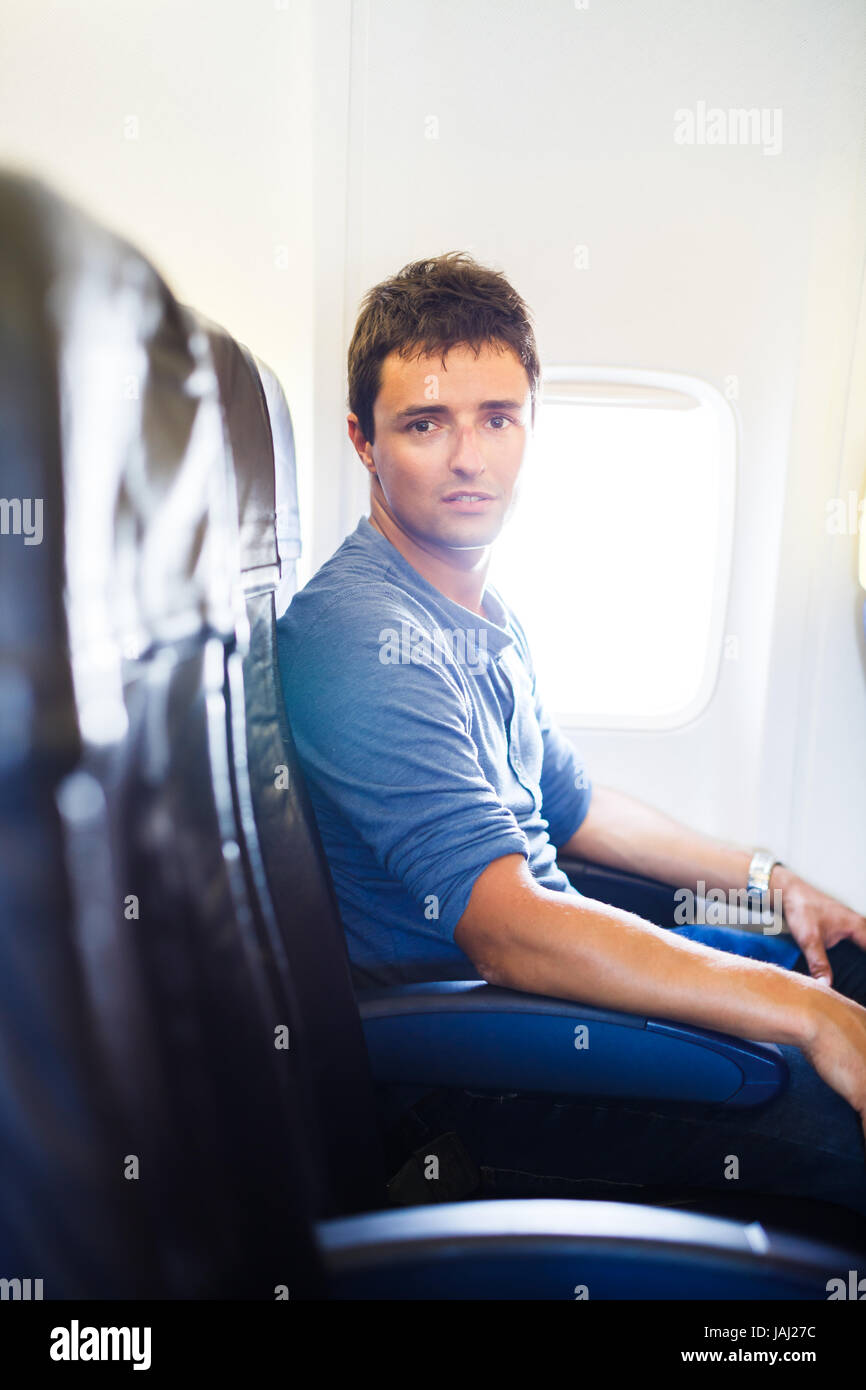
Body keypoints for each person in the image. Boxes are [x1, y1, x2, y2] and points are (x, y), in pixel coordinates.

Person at [276, 252, 866, 1241]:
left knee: (846, 970)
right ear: (363, 442)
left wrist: (770, 879)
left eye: (496, 417)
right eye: (424, 423)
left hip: (547, 998)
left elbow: (575, 804)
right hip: (487, 1063)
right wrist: (800, 1016)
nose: (468, 458)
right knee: (830, 1058)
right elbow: (505, 927)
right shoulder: (362, 639)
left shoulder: (477, 608)